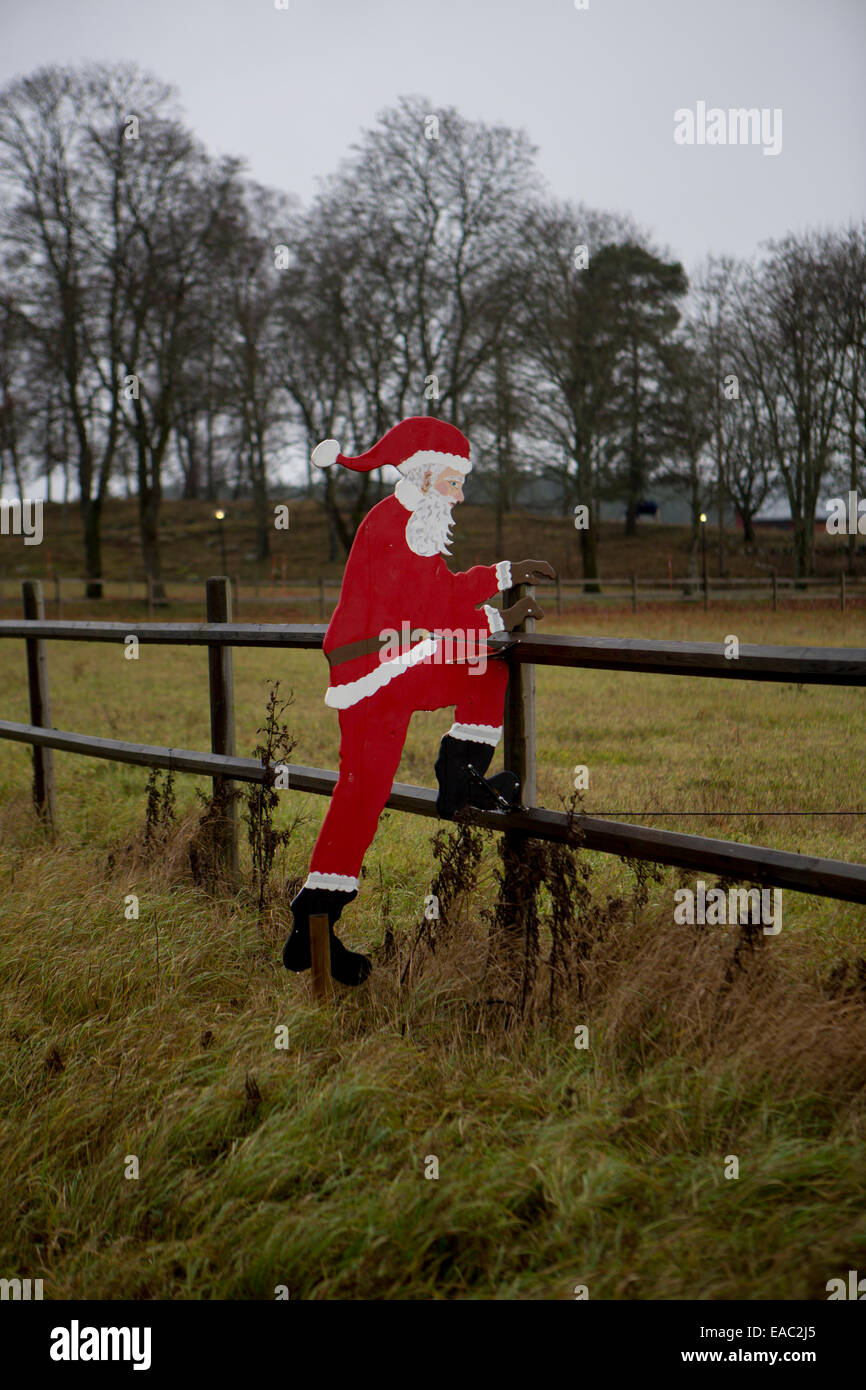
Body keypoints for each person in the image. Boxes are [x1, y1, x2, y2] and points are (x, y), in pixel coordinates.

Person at [282, 417, 555, 985]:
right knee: (485, 667)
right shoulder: (398, 523)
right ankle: (460, 778)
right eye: (454, 482)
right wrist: (499, 618)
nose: (461, 494)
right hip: (381, 665)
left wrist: (502, 572)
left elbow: (438, 592)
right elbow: (431, 608)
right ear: (426, 476)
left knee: (362, 792)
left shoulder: (405, 520)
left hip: (376, 664)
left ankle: (311, 923)